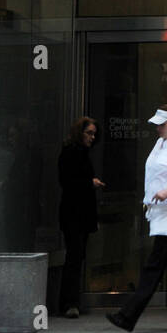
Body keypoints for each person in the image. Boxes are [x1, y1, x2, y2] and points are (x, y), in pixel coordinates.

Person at [106, 106, 167, 333]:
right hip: (163, 213)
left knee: (154, 266)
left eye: (162, 124)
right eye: (158, 124)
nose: (158, 128)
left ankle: (127, 316)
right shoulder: (161, 144)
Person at [58, 117, 104, 318]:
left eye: (94, 133)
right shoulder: (70, 153)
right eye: (89, 133)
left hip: (80, 214)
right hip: (73, 214)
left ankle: (70, 300)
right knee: (74, 257)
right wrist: (90, 182)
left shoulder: (83, 153)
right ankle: (69, 302)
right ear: (80, 133)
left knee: (77, 256)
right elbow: (68, 182)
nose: (92, 137)